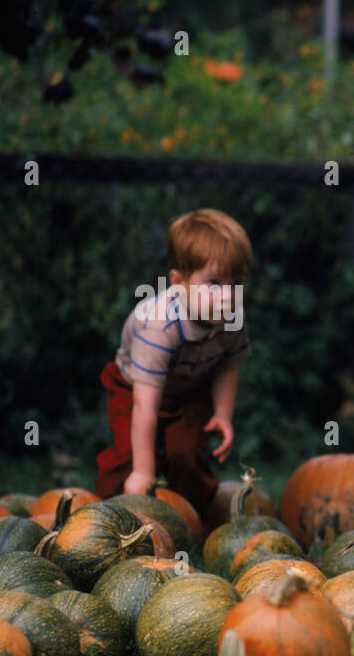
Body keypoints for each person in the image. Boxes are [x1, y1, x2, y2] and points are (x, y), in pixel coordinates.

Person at [95, 208, 252, 512]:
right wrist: (144, 472)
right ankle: (108, 514)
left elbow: (227, 366)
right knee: (128, 459)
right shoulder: (158, 326)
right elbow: (145, 406)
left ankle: (194, 519)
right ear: (179, 283)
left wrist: (222, 413)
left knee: (188, 454)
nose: (228, 295)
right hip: (135, 390)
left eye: (236, 283)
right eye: (214, 283)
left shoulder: (232, 319)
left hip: (189, 388)